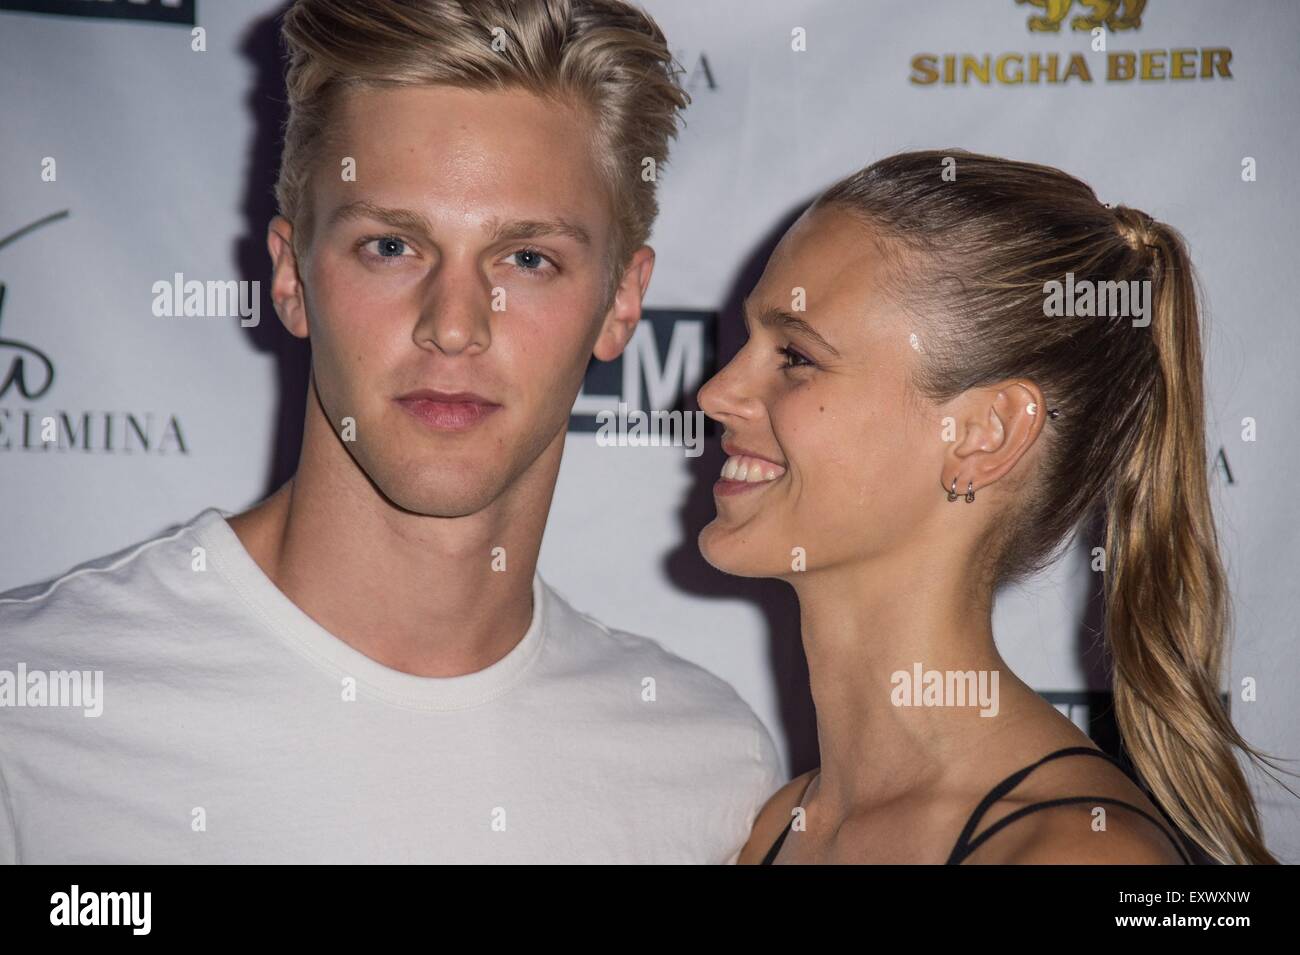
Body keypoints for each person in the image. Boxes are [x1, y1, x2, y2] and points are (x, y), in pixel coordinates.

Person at [0, 0, 782, 864]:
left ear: (621, 303)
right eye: (390, 247)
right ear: (292, 277)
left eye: (527, 259)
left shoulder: (707, 769)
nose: (454, 325)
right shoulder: (31, 715)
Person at [697, 148, 1286, 864]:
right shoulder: (774, 829)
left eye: (795, 356)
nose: (715, 393)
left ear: (984, 434)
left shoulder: (1077, 853)